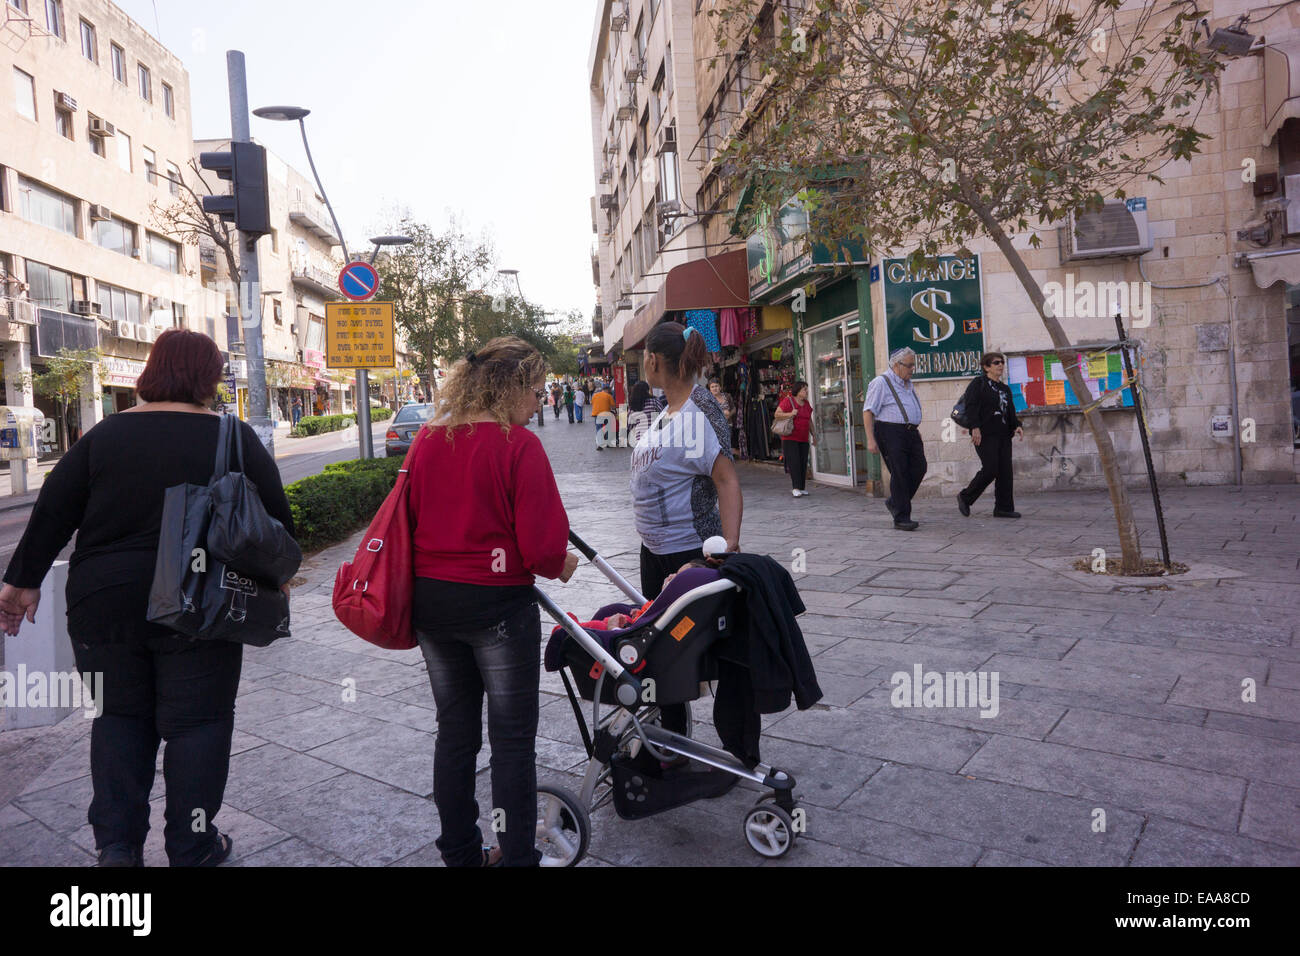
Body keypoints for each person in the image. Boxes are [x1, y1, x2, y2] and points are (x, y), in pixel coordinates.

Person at [0, 329, 294, 867]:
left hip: (102, 603)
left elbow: (52, 513)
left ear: (151, 371)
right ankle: (193, 846)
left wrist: (21, 583)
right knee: (199, 724)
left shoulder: (103, 436)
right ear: (208, 378)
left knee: (116, 719)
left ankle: (117, 849)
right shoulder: (232, 436)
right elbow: (277, 524)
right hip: (198, 602)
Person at [408, 337, 579, 867]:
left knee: (454, 733)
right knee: (510, 743)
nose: (539, 401)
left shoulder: (428, 440)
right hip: (498, 608)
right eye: (535, 389)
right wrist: (561, 564)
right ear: (510, 388)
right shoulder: (519, 446)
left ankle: (460, 853)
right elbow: (544, 546)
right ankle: (518, 856)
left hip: (432, 604)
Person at [863, 347, 926, 531]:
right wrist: (870, 439)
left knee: (920, 467)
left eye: (913, 365)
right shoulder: (881, 382)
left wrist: (914, 427)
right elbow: (868, 411)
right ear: (897, 365)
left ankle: (895, 502)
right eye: (909, 365)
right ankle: (902, 517)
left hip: (910, 432)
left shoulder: (908, 383)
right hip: (890, 431)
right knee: (899, 472)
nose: (912, 369)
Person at [957, 351, 1024, 519]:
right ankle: (965, 497)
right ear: (986, 367)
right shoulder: (978, 384)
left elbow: (1010, 411)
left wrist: (1016, 425)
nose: (1000, 365)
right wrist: (975, 428)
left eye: (1002, 362)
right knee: (990, 469)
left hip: (1003, 434)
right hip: (985, 434)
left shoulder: (1004, 388)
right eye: (996, 362)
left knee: (1005, 472)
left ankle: (1004, 508)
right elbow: (971, 406)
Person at [774, 381, 816, 497]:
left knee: (803, 462)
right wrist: (790, 414)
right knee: (794, 463)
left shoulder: (806, 404)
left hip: (803, 438)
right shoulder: (788, 401)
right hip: (790, 438)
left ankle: (802, 487)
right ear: (797, 391)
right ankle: (795, 488)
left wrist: (814, 435)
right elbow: (777, 414)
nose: (806, 391)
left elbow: (809, 420)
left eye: (807, 389)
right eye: (804, 389)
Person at [592, 383, 617, 450]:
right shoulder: (608, 396)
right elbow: (613, 406)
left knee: (599, 429)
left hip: (597, 414)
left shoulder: (595, 395)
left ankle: (600, 445)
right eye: (609, 390)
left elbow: (592, 403)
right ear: (607, 389)